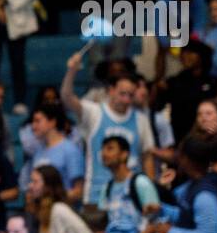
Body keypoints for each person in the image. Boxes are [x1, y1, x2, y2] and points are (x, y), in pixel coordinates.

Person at [61, 51, 155, 207]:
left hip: (130, 197)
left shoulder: (141, 119)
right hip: (96, 196)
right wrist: (72, 71)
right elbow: (67, 97)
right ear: (110, 90)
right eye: (122, 94)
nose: (126, 100)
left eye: (130, 95)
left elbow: (147, 158)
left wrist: (150, 193)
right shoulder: (94, 112)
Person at [95, 135, 162, 233]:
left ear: (124, 154)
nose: (104, 153)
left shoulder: (140, 182)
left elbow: (156, 225)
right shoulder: (107, 188)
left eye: (110, 149)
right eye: (103, 149)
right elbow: (106, 224)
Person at [25, 165, 93, 233]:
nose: (30, 186)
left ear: (48, 185)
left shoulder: (59, 210)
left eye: (35, 182)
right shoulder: (42, 211)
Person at [27, 101, 85, 203]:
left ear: (52, 122)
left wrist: (54, 199)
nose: (33, 126)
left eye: (37, 121)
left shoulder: (70, 150)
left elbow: (78, 191)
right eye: (32, 122)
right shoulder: (38, 152)